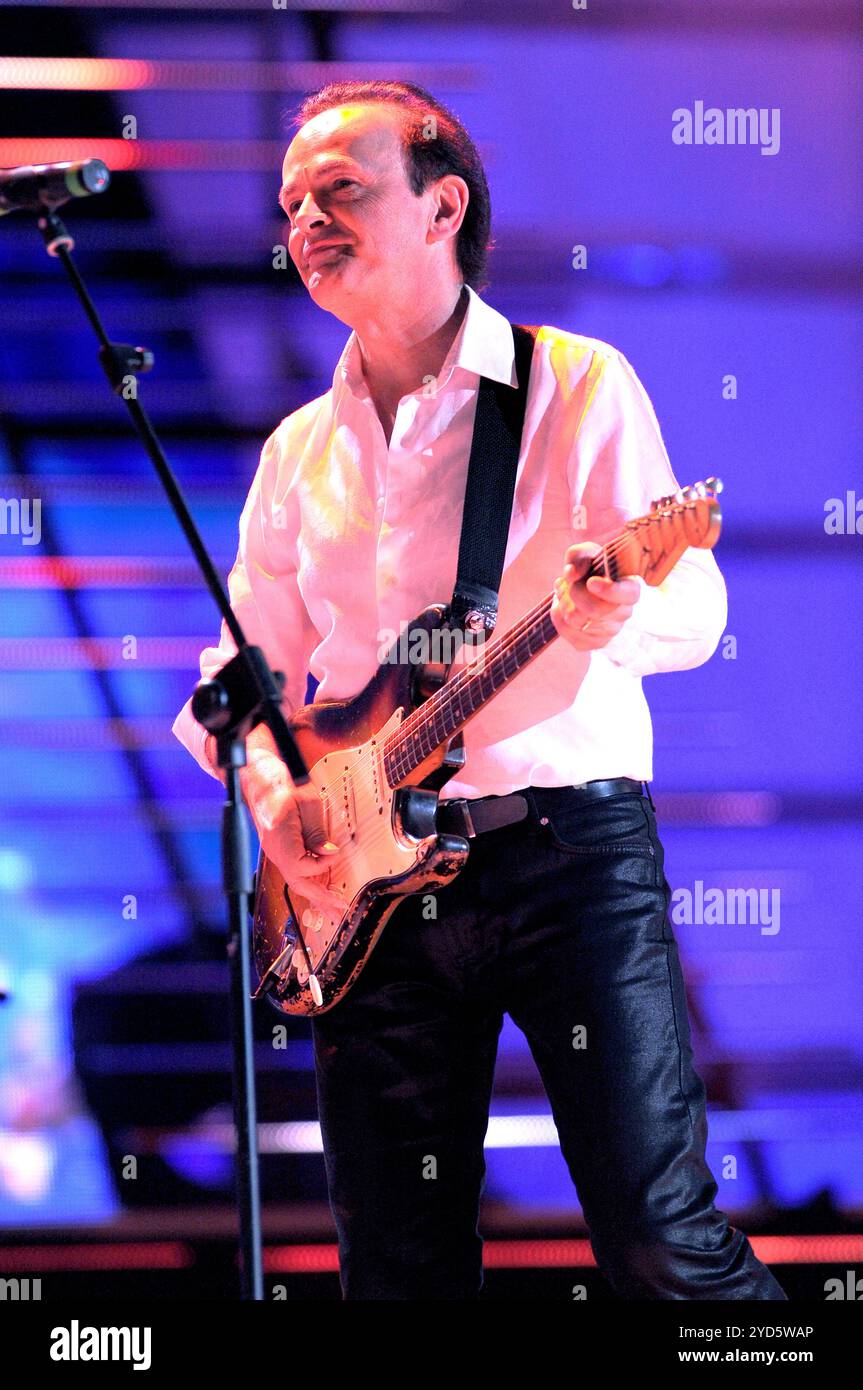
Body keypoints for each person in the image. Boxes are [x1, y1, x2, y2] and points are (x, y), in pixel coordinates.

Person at [173, 80, 787, 1301]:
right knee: (396, 1272)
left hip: (563, 853)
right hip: (363, 894)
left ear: (441, 202)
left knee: (663, 1243)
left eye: (341, 190)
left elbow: (699, 608)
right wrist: (274, 797)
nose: (306, 221)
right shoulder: (298, 448)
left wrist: (615, 609)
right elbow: (231, 680)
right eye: (291, 202)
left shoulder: (575, 383)